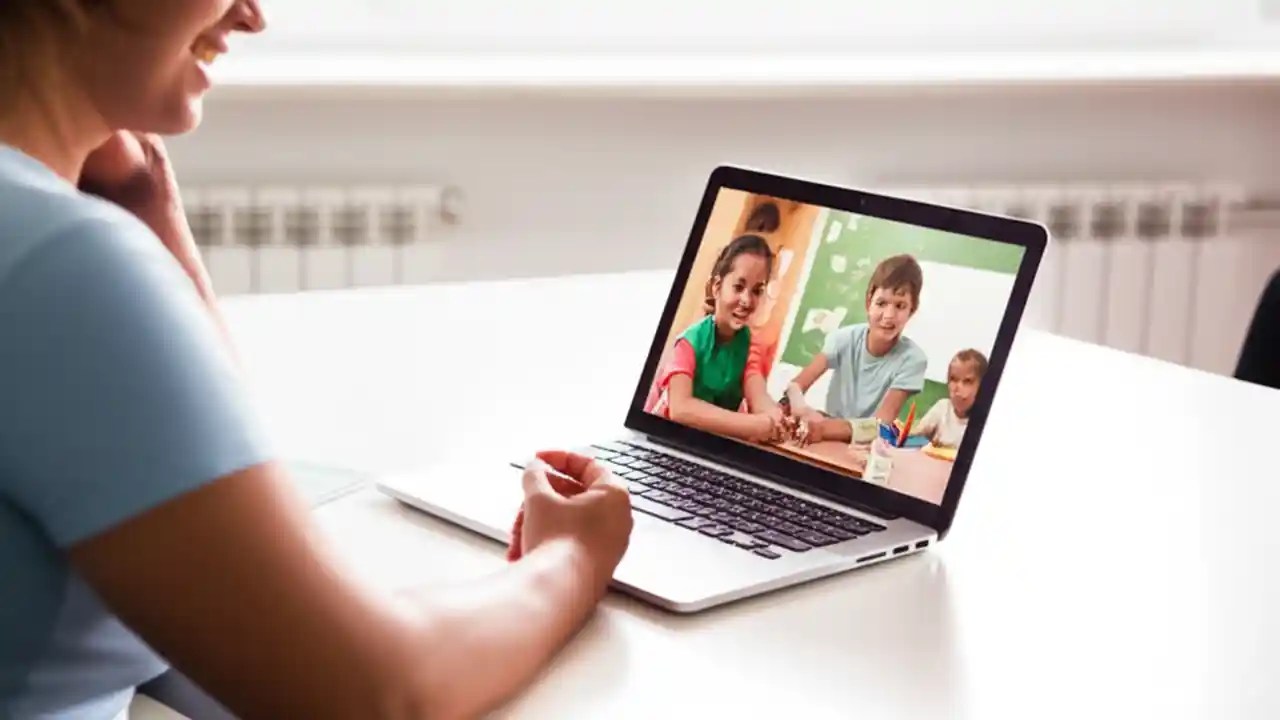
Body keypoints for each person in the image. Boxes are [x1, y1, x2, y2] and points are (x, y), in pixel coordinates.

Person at [0, 3, 633, 719]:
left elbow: (210, 497)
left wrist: (146, 197)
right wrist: (573, 558)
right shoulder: (58, 265)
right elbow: (376, 693)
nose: (251, 16)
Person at [644, 234, 785, 443]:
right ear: (717, 287)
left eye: (757, 291)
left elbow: (758, 395)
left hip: (711, 448)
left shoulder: (749, 343)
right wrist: (754, 424)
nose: (747, 300)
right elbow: (680, 409)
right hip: (667, 442)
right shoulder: (690, 342)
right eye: (738, 287)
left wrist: (775, 417)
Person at [784, 254, 928, 445]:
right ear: (869, 302)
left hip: (866, 445)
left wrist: (823, 428)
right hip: (826, 434)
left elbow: (881, 424)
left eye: (900, 306)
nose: (889, 315)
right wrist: (801, 408)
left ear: (912, 310)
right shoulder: (843, 338)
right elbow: (796, 385)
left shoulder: (913, 359)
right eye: (881, 303)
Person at [911, 349, 988, 449]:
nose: (958, 388)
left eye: (967, 381)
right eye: (953, 379)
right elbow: (913, 436)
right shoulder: (943, 407)